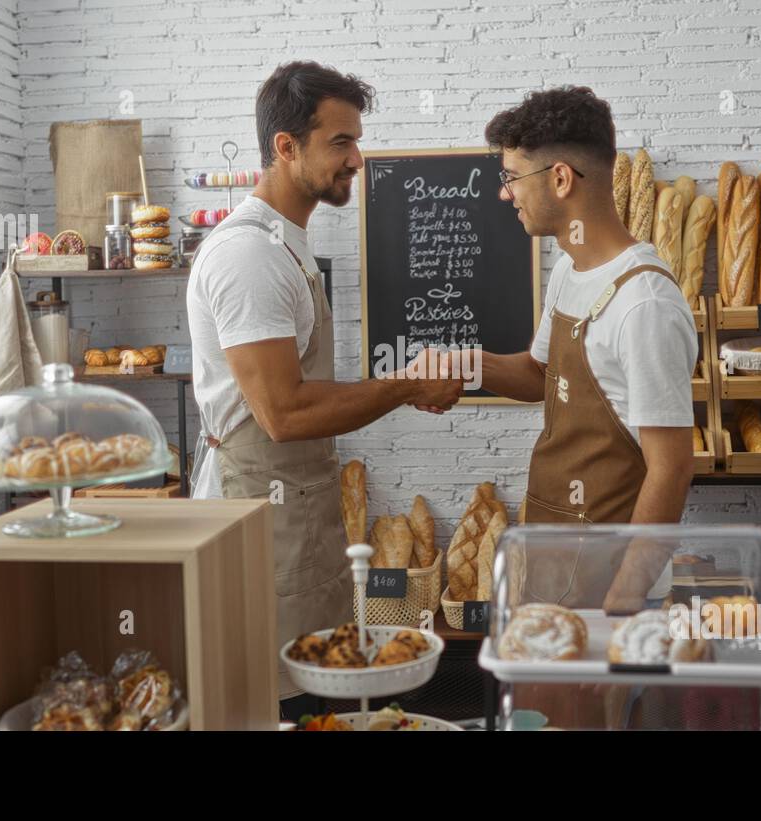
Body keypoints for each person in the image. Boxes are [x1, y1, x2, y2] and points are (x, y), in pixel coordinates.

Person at [185, 61, 463, 715]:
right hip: (258, 519)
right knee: (276, 701)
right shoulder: (247, 256)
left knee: (318, 689)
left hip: (297, 511)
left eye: (356, 140)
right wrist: (402, 386)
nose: (357, 158)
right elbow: (281, 412)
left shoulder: (288, 245)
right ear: (286, 146)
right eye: (341, 141)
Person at [442, 86, 697, 526]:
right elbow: (541, 375)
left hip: (608, 570)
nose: (505, 195)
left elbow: (671, 470)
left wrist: (626, 591)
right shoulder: (568, 270)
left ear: (560, 179)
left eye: (511, 177)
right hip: (554, 549)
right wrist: (458, 366)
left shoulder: (645, 303)